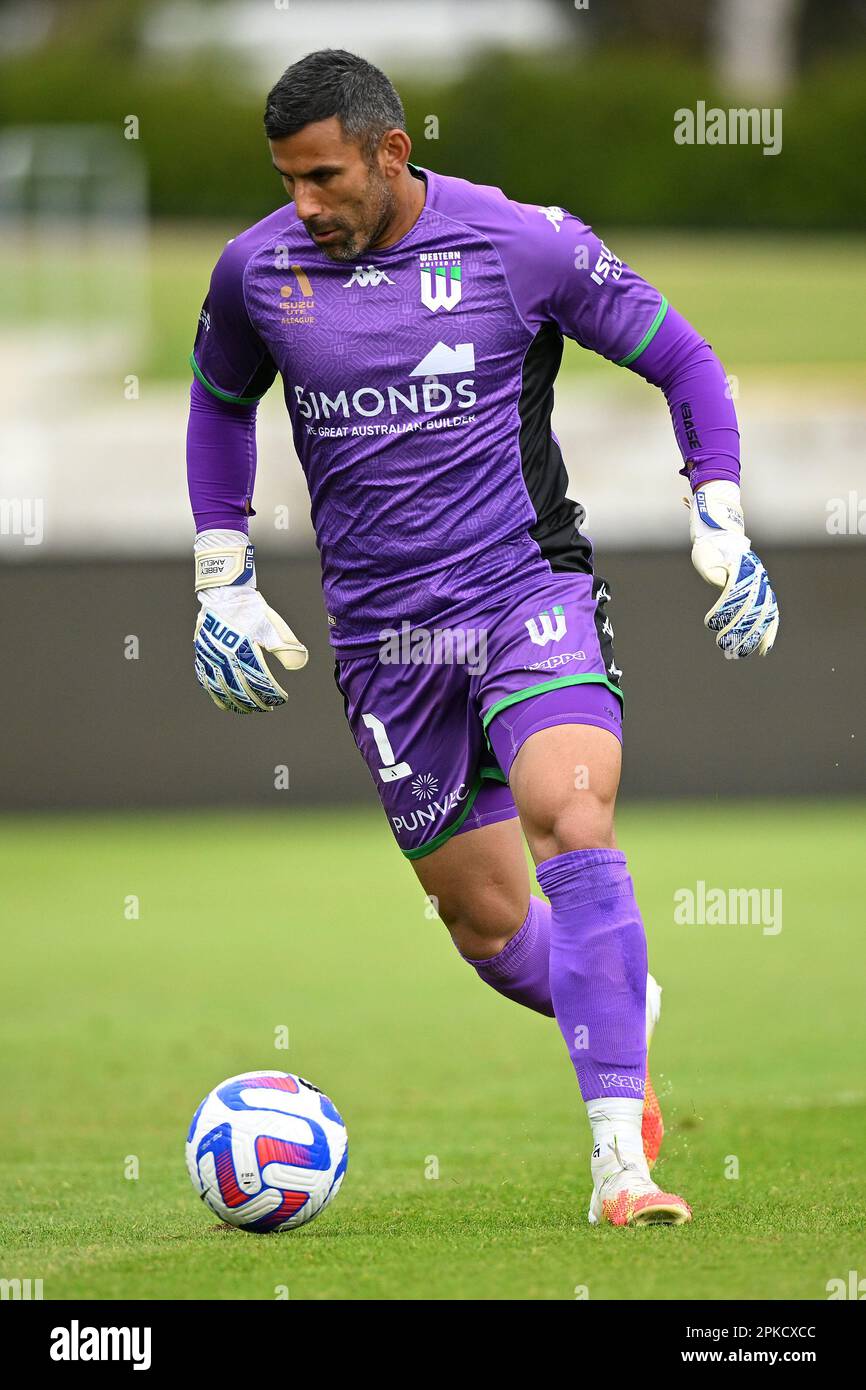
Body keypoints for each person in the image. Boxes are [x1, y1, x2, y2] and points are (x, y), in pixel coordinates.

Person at [187, 49, 778, 1227]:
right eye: (286, 179)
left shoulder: (522, 244)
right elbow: (218, 401)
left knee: (572, 814)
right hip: (383, 642)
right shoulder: (256, 270)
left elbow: (681, 356)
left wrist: (717, 507)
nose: (303, 203)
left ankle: (618, 1166)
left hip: (523, 590)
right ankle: (618, 994)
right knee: (490, 926)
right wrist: (221, 573)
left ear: (390, 152)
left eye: (322, 177)